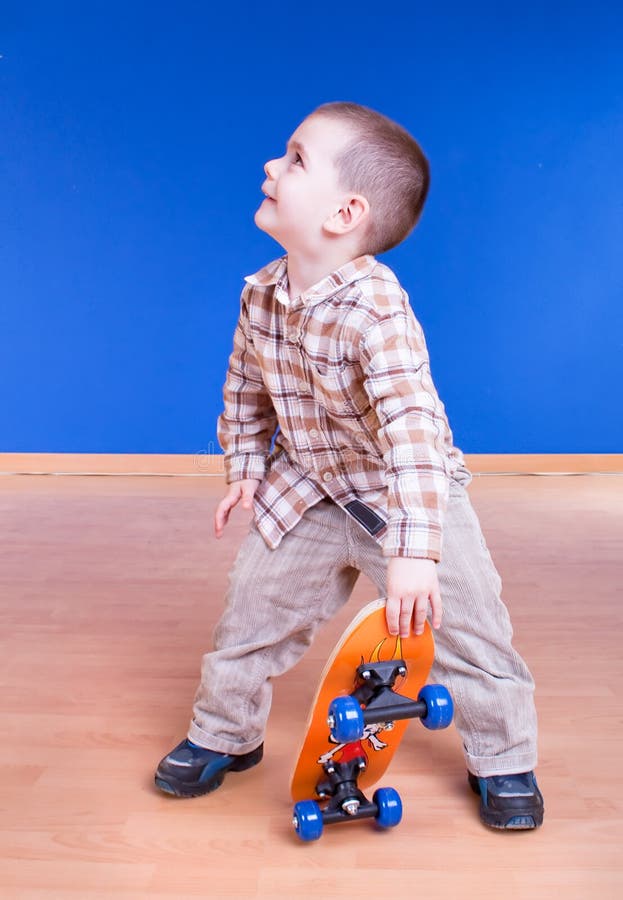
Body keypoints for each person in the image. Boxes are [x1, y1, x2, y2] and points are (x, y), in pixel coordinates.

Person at [155, 101, 544, 830]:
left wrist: (414, 555)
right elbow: (244, 389)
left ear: (344, 214)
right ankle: (226, 732)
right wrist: (244, 466)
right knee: (250, 614)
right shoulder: (263, 293)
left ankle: (503, 757)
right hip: (307, 488)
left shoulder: (377, 311)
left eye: (295, 158)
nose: (271, 165)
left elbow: (413, 436)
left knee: (469, 631)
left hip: (405, 497)